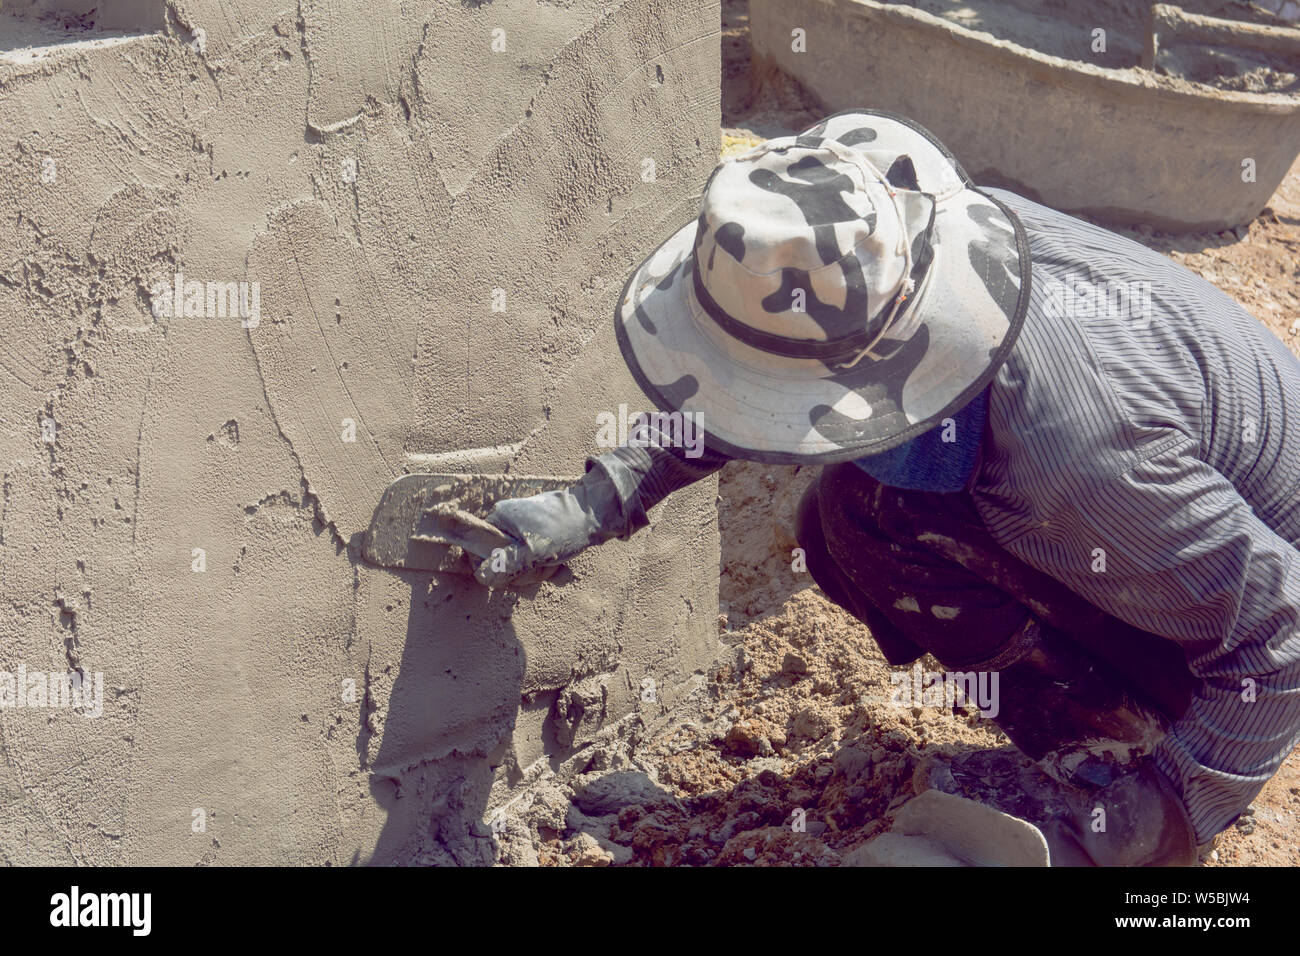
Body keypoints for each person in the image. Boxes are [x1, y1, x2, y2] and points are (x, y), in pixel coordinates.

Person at [454, 110, 1300, 866]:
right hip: (1173, 540)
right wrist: (609, 493)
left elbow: (1279, 629)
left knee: (879, 521)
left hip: (1234, 626)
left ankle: (1135, 760)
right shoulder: (889, 243)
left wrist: (1160, 824)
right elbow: (761, 380)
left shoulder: (1079, 455)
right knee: (851, 524)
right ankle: (1092, 739)